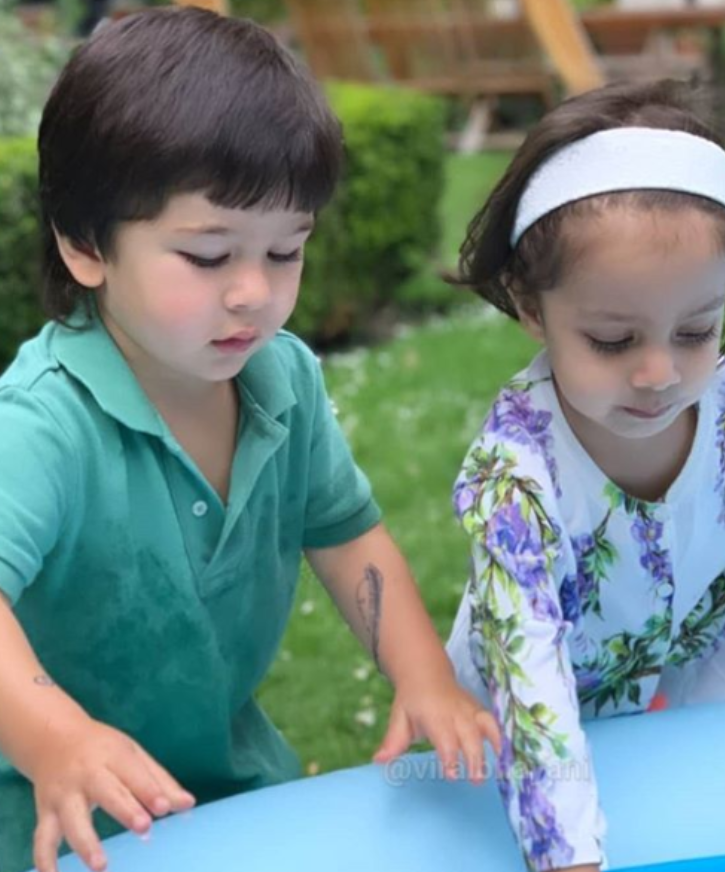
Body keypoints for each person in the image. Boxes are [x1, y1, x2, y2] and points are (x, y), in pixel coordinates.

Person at [0, 9, 501, 872]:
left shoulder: (284, 382)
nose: (253, 294)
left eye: (285, 251)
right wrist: (55, 739)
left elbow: (346, 539)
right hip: (46, 816)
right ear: (85, 245)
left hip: (224, 792)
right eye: (207, 256)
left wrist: (423, 676)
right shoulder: (42, 424)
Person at [446, 78, 725, 871]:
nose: (658, 373)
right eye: (612, 340)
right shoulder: (520, 478)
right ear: (529, 306)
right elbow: (531, 680)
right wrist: (568, 852)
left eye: (695, 330)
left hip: (696, 646)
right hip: (535, 693)